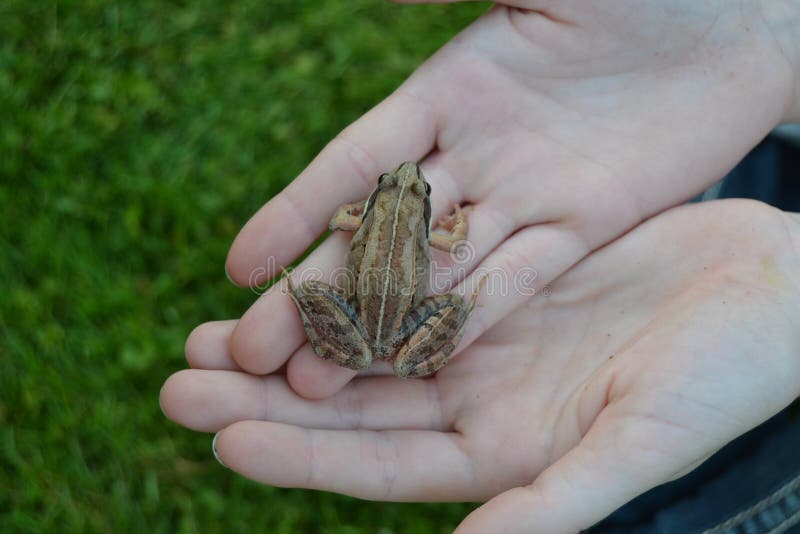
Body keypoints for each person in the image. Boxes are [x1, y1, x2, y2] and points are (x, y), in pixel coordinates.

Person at [160, 2, 800, 532]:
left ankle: (322, 314)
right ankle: (420, 346)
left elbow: (337, 219)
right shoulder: (433, 231)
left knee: (312, 294)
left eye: (409, 188)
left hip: (357, 317)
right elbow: (452, 238)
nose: (408, 182)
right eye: (402, 187)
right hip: (404, 323)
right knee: (459, 307)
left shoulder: (358, 217)